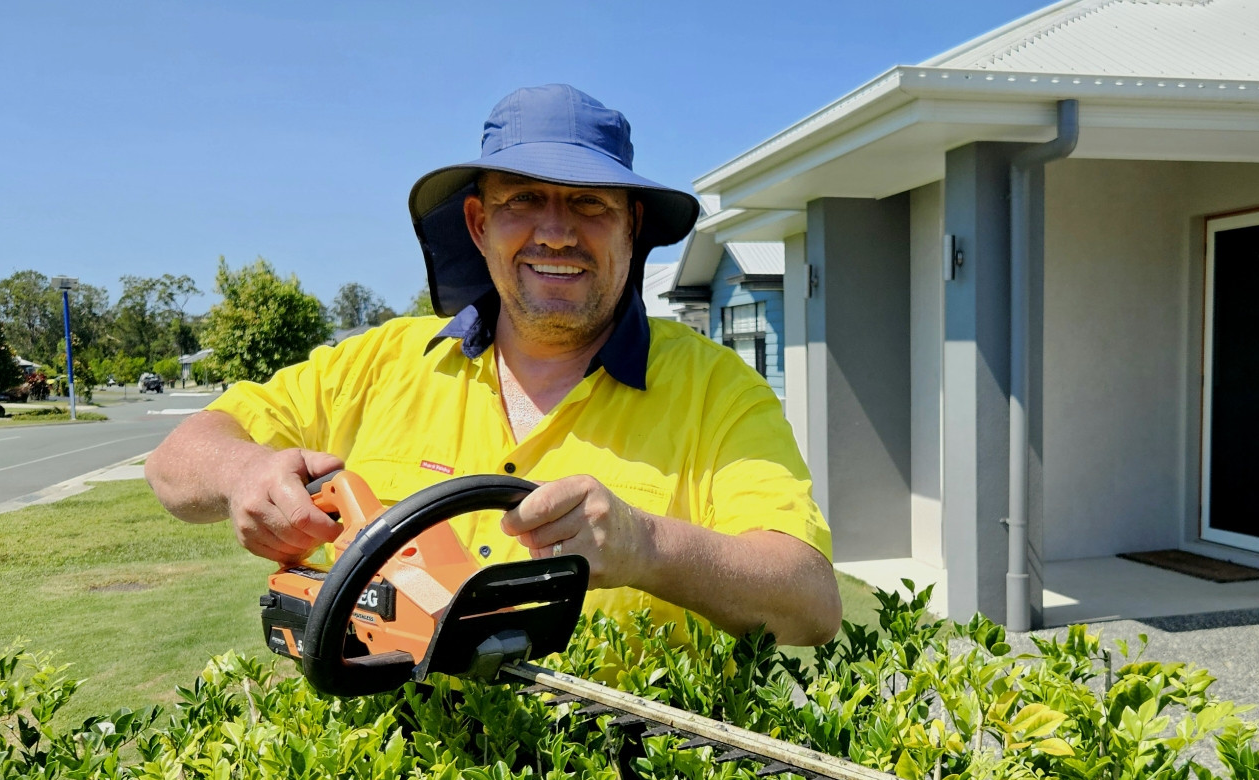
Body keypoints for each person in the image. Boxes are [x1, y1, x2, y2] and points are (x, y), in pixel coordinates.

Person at [146, 84, 840, 646]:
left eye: (590, 204)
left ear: (632, 227)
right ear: (479, 224)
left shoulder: (716, 390)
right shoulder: (380, 362)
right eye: (523, 201)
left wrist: (647, 546)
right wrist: (245, 476)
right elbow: (176, 464)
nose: (556, 231)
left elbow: (808, 604)